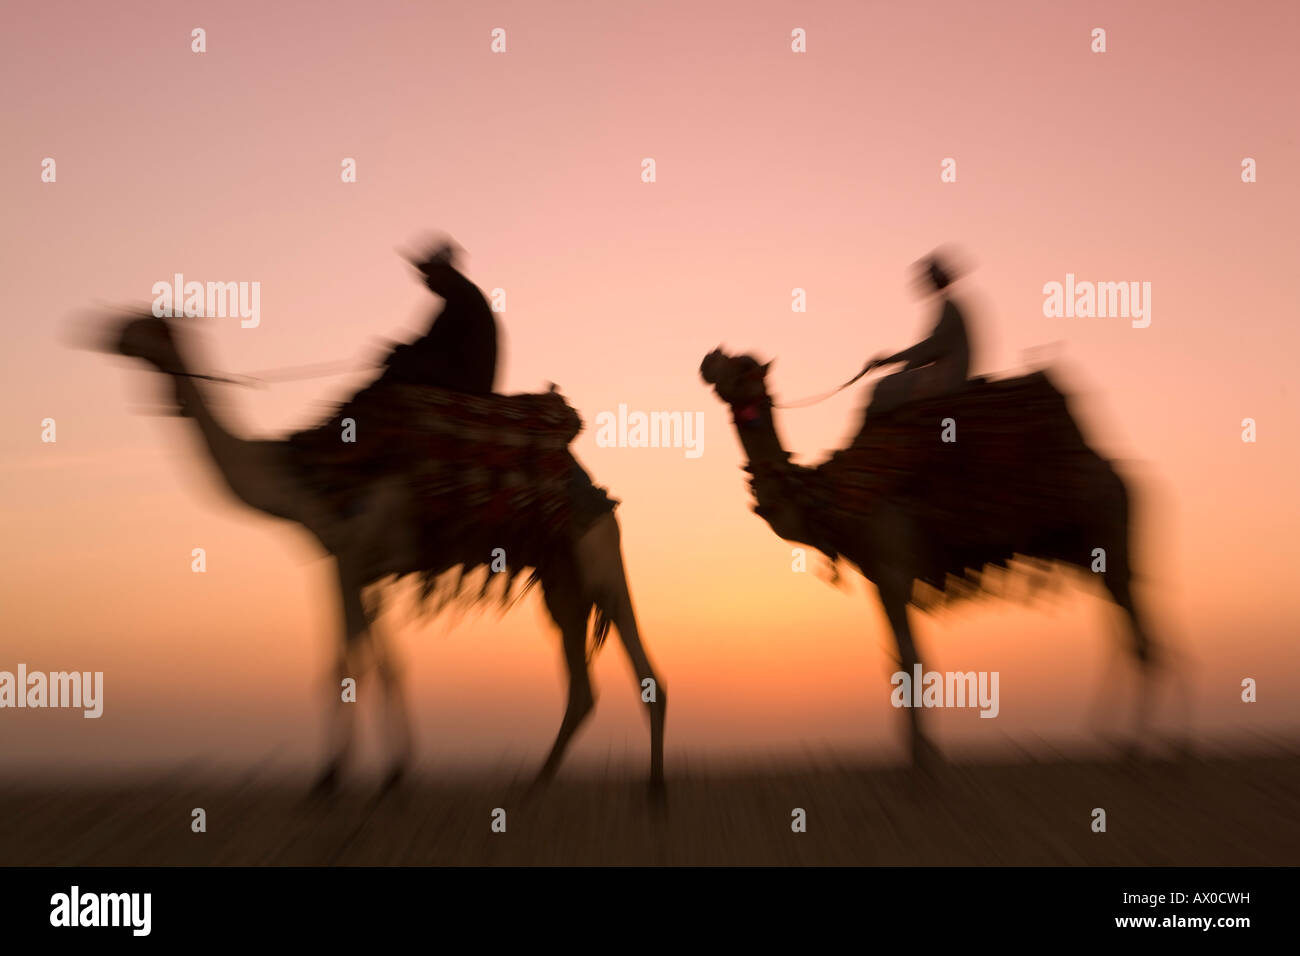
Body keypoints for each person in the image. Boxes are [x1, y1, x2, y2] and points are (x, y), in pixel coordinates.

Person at [861, 252, 973, 421]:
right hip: (946, 373)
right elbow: (927, 351)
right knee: (892, 383)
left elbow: (928, 350)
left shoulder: (949, 308)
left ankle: (873, 442)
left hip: (948, 378)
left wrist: (887, 361)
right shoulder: (948, 307)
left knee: (883, 388)